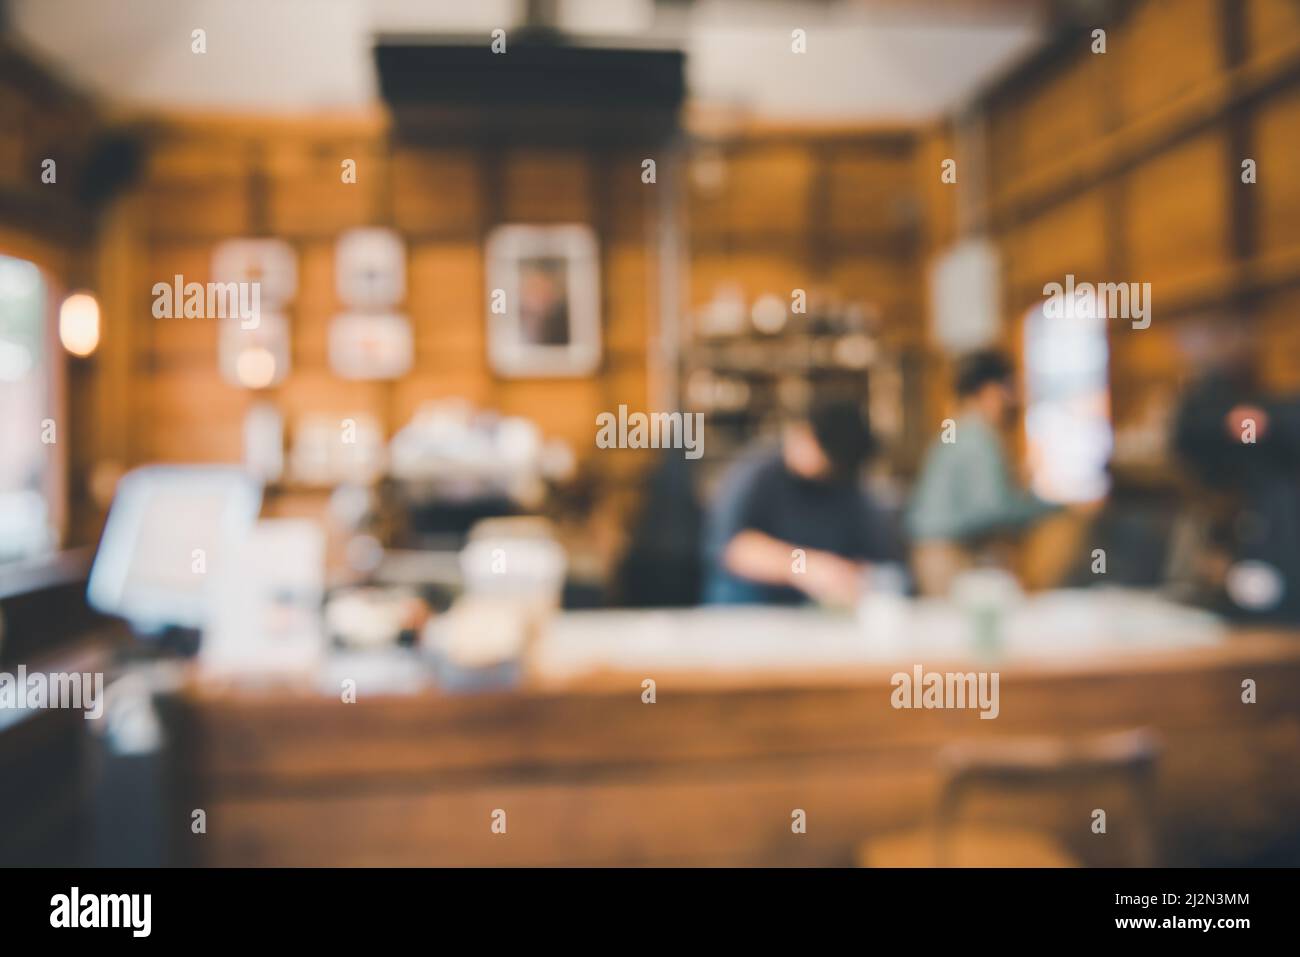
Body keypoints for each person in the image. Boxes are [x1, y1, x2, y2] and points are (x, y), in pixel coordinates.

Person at [703, 392, 900, 606]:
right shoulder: (758, 472)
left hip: (818, 608)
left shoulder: (847, 485)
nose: (830, 469)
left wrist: (854, 575)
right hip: (753, 605)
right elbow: (733, 549)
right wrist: (806, 567)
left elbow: (876, 556)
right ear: (805, 435)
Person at [906, 350, 1059, 595]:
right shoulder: (978, 435)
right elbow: (990, 508)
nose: (1014, 400)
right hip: (945, 555)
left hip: (936, 550)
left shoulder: (961, 428)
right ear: (990, 391)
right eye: (1009, 390)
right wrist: (1052, 508)